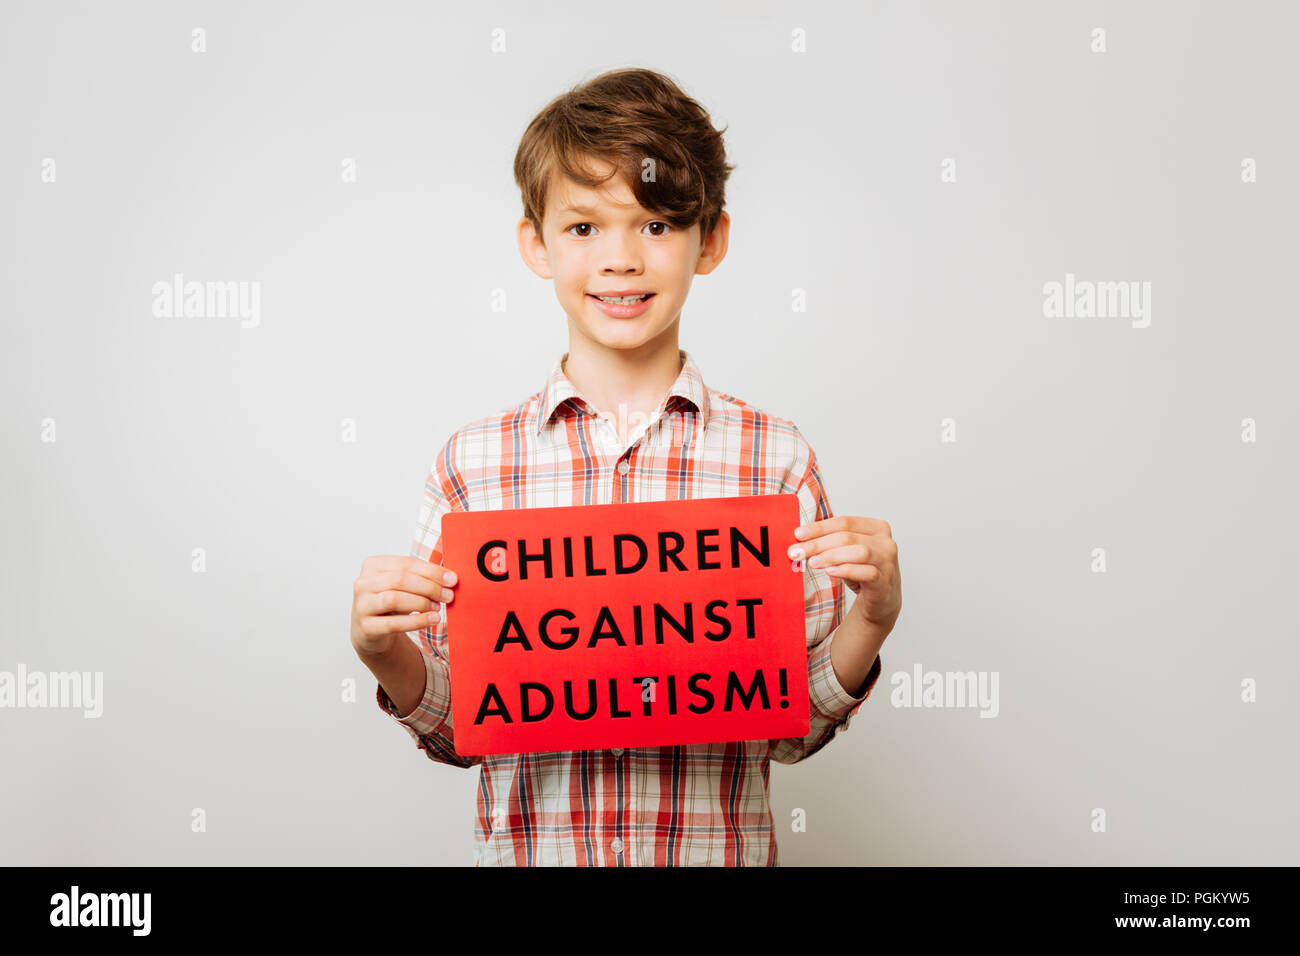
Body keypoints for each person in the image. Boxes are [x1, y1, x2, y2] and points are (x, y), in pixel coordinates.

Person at [349, 67, 902, 866]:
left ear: (708, 240)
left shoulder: (774, 460)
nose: (620, 259)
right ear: (535, 245)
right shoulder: (474, 466)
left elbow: (791, 728)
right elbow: (461, 728)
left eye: (654, 226)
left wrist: (874, 614)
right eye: (583, 228)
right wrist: (384, 653)